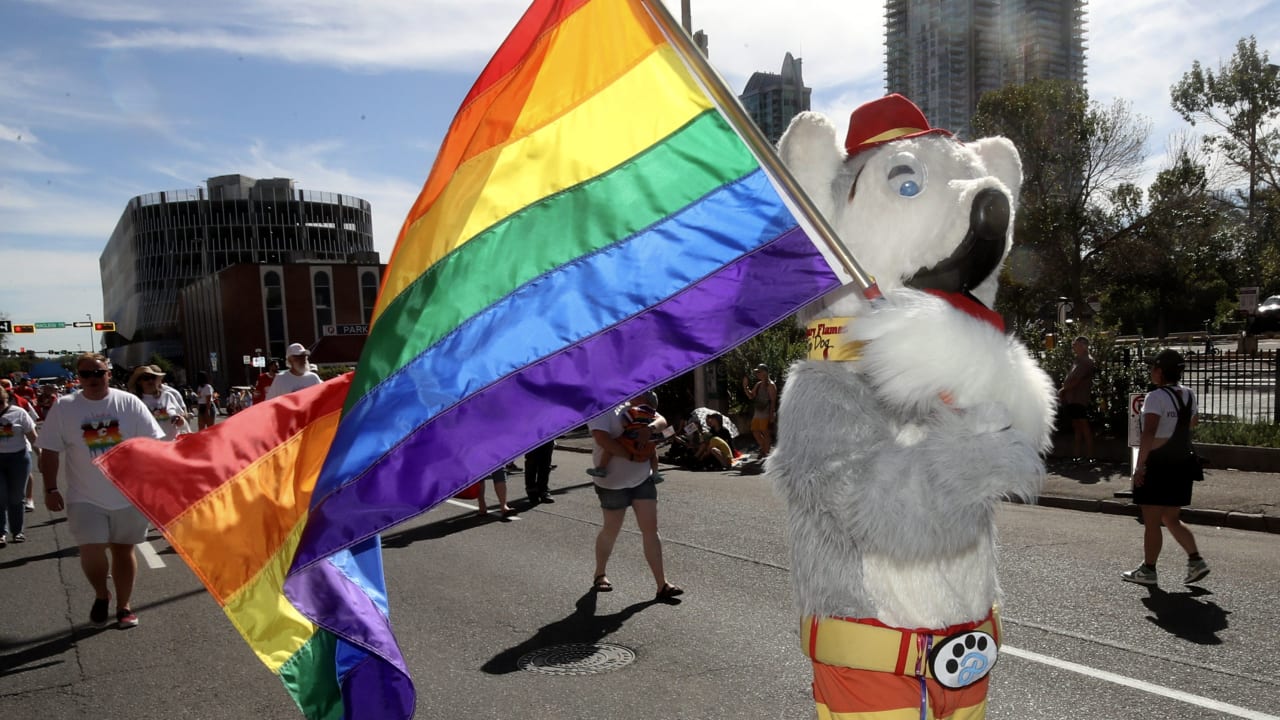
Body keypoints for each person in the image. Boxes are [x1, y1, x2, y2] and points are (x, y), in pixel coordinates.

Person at [38, 353, 165, 628]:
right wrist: (50, 488)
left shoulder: (128, 402)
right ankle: (101, 593)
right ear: (78, 378)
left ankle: (124, 606)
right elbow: (48, 451)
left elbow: (153, 444)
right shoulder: (65, 407)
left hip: (128, 494)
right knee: (91, 551)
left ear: (109, 374)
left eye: (99, 372)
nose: (93, 378)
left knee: (123, 551)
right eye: (86, 374)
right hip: (85, 497)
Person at [1122, 349, 1210, 587]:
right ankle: (1195, 560)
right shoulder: (1189, 395)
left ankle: (1148, 570)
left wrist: (1140, 467)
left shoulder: (1155, 397)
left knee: (1151, 520)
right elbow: (1192, 422)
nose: (1151, 371)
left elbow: (1149, 432)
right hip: (1182, 463)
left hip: (1159, 463)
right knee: (1171, 517)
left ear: (1159, 372)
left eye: (1153, 367)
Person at [586, 390, 682, 600]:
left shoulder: (639, 404)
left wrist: (649, 429)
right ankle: (600, 573)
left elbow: (662, 420)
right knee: (611, 530)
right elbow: (602, 439)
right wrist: (631, 455)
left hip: (642, 479)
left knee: (651, 529)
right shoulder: (600, 406)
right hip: (612, 482)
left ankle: (662, 584)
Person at [0, 385, 39, 547]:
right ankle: (1, 532)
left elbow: (32, 436)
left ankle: (17, 531)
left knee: (16, 496)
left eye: (0, 402)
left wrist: (41, 454)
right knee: (0, 496)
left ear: (6, 399)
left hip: (18, 458)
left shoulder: (19, 413)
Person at [586, 404, 661, 482]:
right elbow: (662, 429)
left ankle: (601, 468)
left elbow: (624, 422)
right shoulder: (654, 416)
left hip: (631, 437)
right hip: (647, 443)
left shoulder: (635, 411)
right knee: (653, 452)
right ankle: (655, 473)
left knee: (611, 446)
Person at [1059, 336, 1097, 463]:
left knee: (1083, 426)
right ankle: (1077, 455)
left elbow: (1077, 380)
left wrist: (1063, 390)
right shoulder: (1079, 360)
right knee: (1077, 427)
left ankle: (1090, 456)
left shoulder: (1086, 361)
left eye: (1076, 344)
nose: (1073, 346)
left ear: (1083, 345)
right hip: (1073, 399)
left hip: (1079, 398)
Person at [128, 365, 190, 441]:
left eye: (153, 377)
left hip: (172, 445)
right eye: (146, 378)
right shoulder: (135, 402)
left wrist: (180, 420)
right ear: (139, 382)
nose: (150, 381)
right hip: (151, 447)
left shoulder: (167, 396)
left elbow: (182, 416)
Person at [742, 364, 777, 458]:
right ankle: (764, 448)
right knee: (755, 431)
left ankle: (766, 452)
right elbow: (751, 396)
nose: (757, 374)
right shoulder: (758, 384)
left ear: (765, 373)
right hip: (757, 413)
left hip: (765, 413)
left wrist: (771, 415)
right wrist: (745, 387)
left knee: (766, 433)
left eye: (759, 372)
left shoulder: (771, 385)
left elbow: (773, 401)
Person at [524, 439, 556, 505]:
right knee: (531, 463)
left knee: (546, 464)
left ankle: (543, 490)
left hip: (547, 435)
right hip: (531, 435)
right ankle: (531, 490)